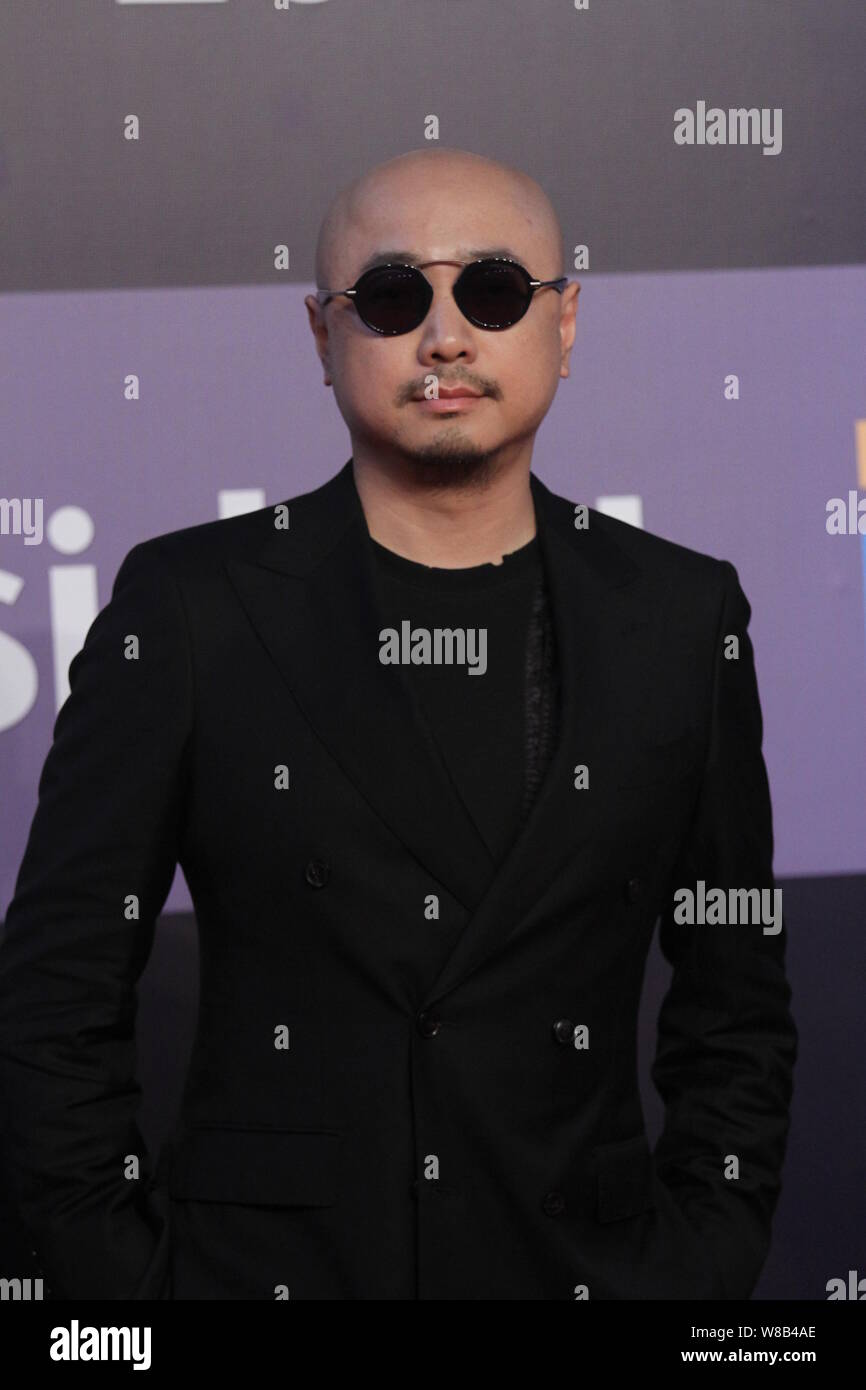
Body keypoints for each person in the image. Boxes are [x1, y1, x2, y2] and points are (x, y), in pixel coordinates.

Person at [0, 147, 797, 1300]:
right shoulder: (189, 609)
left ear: (565, 323)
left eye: (493, 290)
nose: (444, 338)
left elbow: (736, 998)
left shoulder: (679, 617)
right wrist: (132, 1288)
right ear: (320, 336)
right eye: (389, 297)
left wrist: (697, 1261)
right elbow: (56, 988)